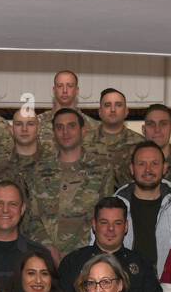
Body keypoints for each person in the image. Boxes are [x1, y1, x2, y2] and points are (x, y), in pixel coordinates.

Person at [112, 141, 171, 292]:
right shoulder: (113, 208)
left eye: (154, 163)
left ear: (165, 168)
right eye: (141, 163)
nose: (148, 169)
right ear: (131, 168)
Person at [24, 108, 114, 258]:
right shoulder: (38, 171)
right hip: (45, 257)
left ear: (83, 131)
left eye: (71, 126)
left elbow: (105, 216)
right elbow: (32, 218)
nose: (65, 132)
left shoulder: (102, 169)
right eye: (59, 127)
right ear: (53, 133)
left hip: (88, 257)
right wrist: (48, 247)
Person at [58, 197, 161, 292]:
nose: (111, 229)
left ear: (126, 226)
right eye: (104, 222)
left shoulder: (142, 265)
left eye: (117, 223)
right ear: (94, 225)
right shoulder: (73, 262)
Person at [86, 88, 144, 178]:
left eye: (118, 105)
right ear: (100, 112)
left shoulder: (141, 144)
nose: (113, 109)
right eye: (107, 105)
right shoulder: (83, 141)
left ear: (126, 111)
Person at [35, 69, 96, 149]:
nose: (65, 91)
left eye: (70, 86)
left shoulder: (92, 126)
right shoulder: (36, 123)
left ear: (76, 91)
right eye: (60, 86)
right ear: (54, 90)